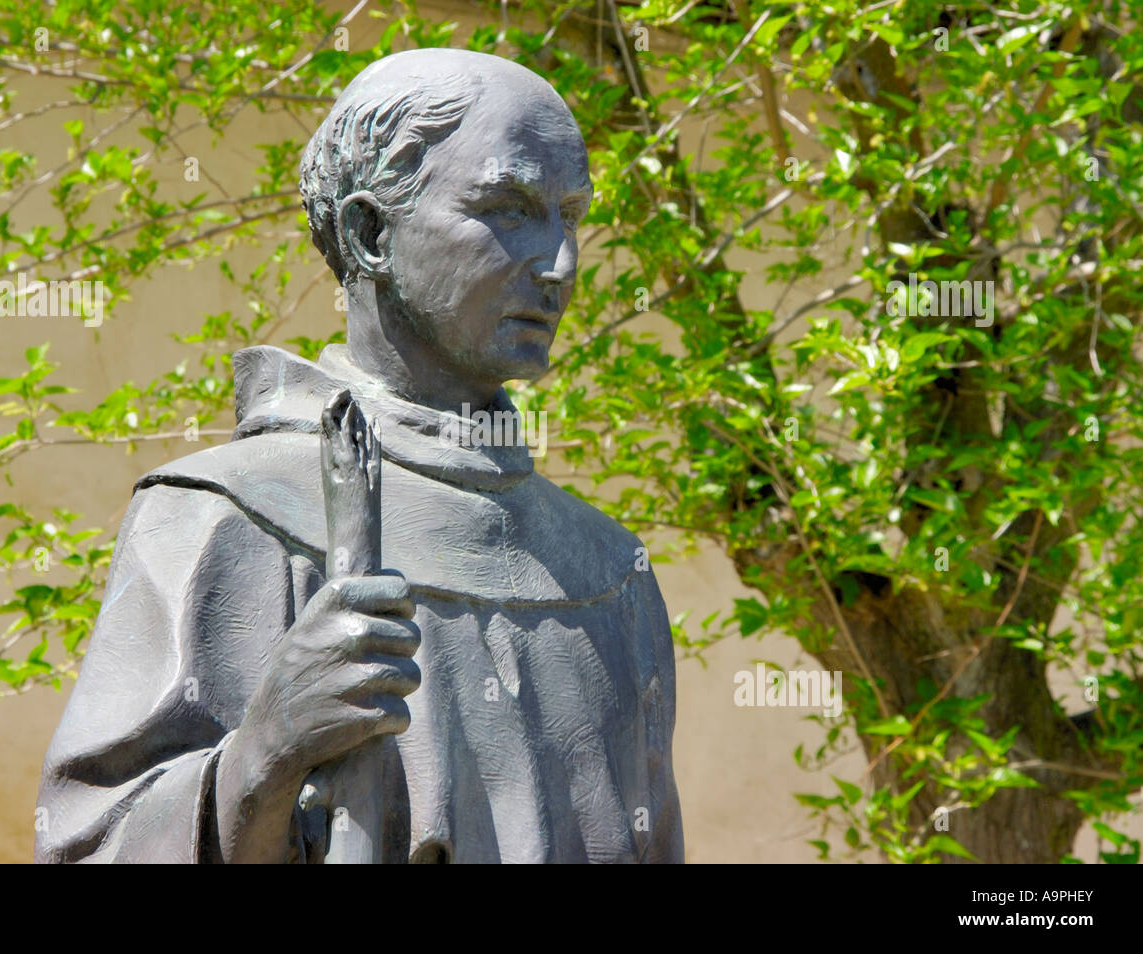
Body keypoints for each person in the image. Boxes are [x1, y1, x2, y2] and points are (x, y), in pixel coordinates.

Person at [36, 48, 683, 863]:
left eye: (571, 216)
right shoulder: (227, 515)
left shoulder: (609, 570)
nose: (561, 264)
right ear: (369, 231)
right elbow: (90, 848)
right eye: (510, 209)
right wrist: (261, 755)